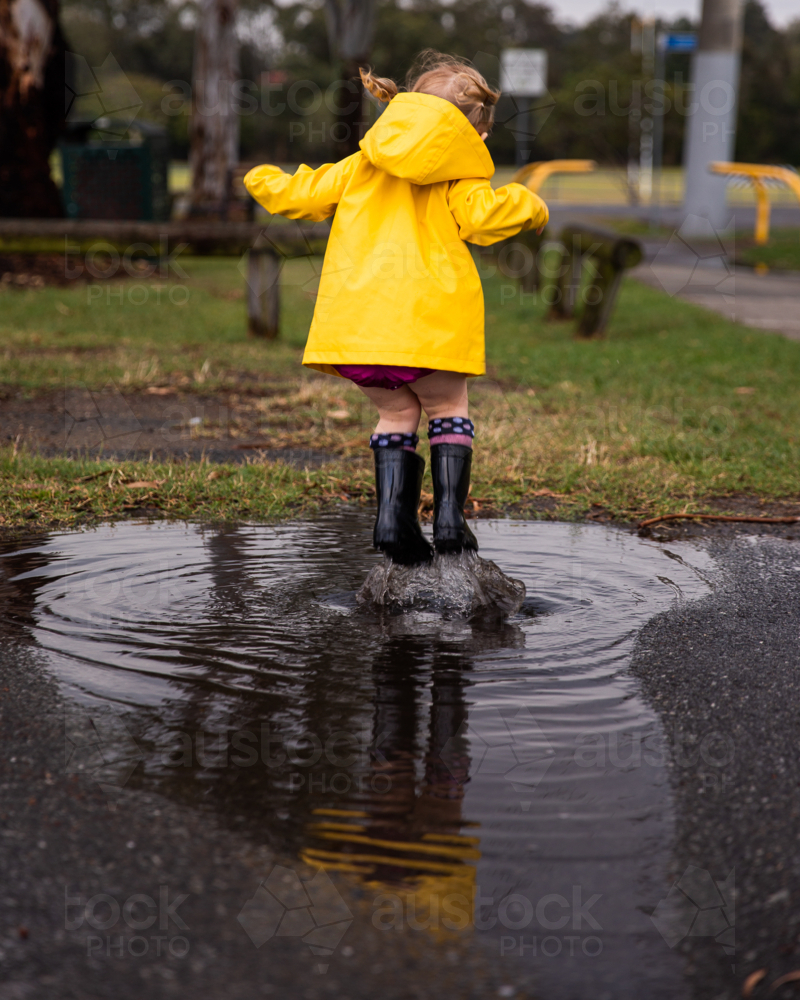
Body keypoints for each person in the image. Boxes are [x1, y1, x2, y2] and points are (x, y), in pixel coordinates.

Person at [244, 51, 548, 565]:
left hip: (360, 331)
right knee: (447, 409)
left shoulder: (363, 162)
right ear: (474, 129)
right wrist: (530, 204)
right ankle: (450, 519)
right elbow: (482, 221)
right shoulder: (461, 170)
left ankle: (392, 521)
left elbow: (303, 194)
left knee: (397, 413)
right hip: (429, 330)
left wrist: (261, 179)